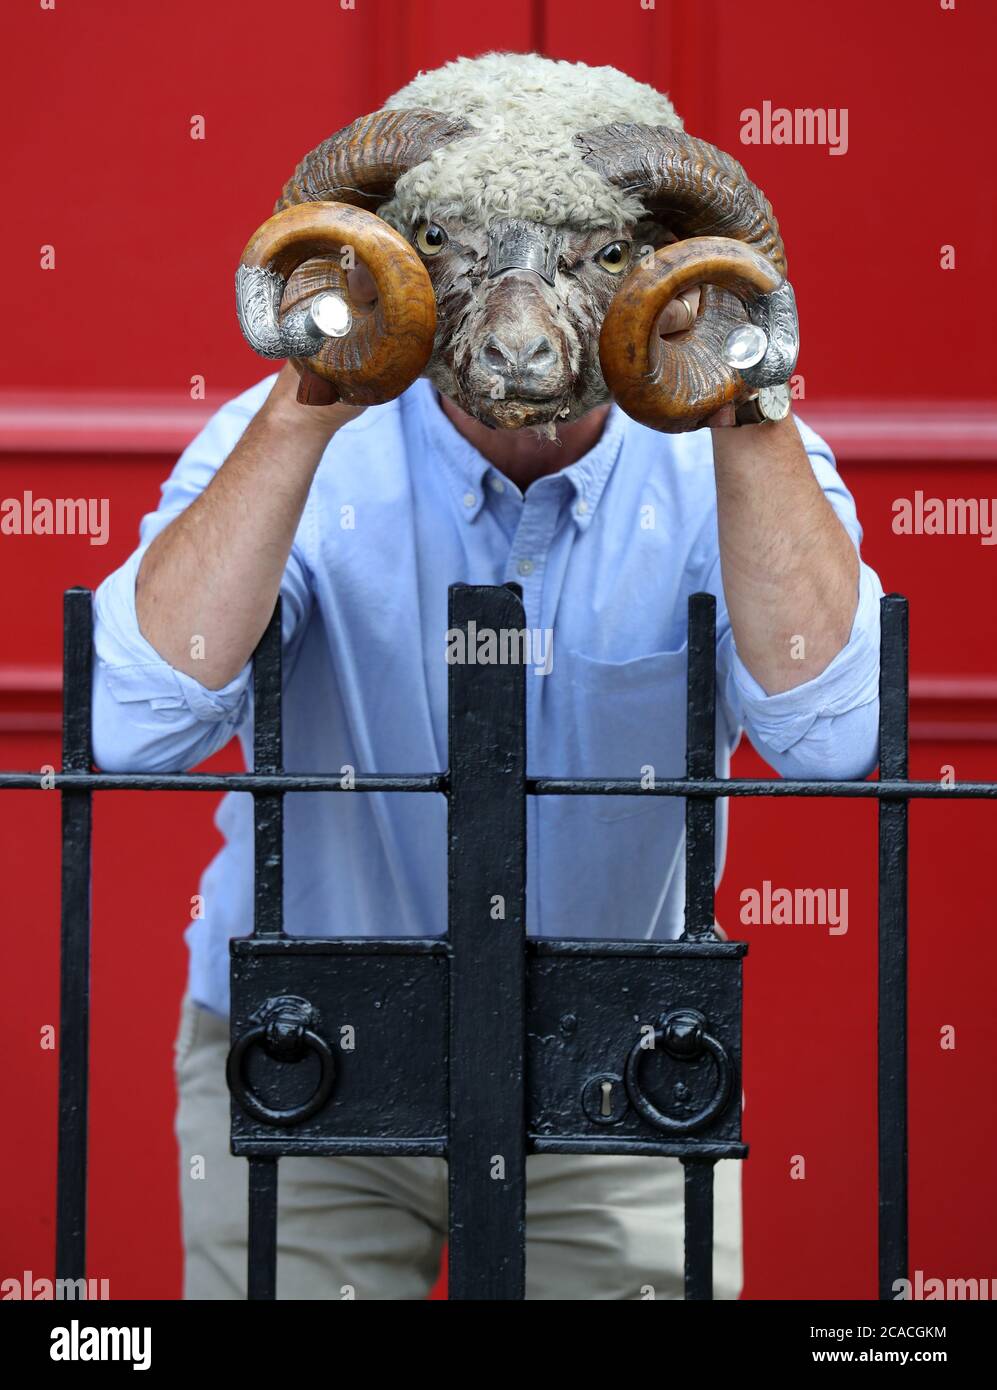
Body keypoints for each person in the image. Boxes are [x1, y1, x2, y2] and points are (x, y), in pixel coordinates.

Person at [91, 54, 884, 1300]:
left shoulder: (730, 466)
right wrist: (313, 389)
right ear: (395, 255)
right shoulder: (292, 446)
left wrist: (742, 381)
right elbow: (128, 727)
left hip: (622, 1064)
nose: (517, 322)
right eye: (454, 247)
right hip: (314, 1047)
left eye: (588, 255)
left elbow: (835, 741)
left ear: (659, 267)